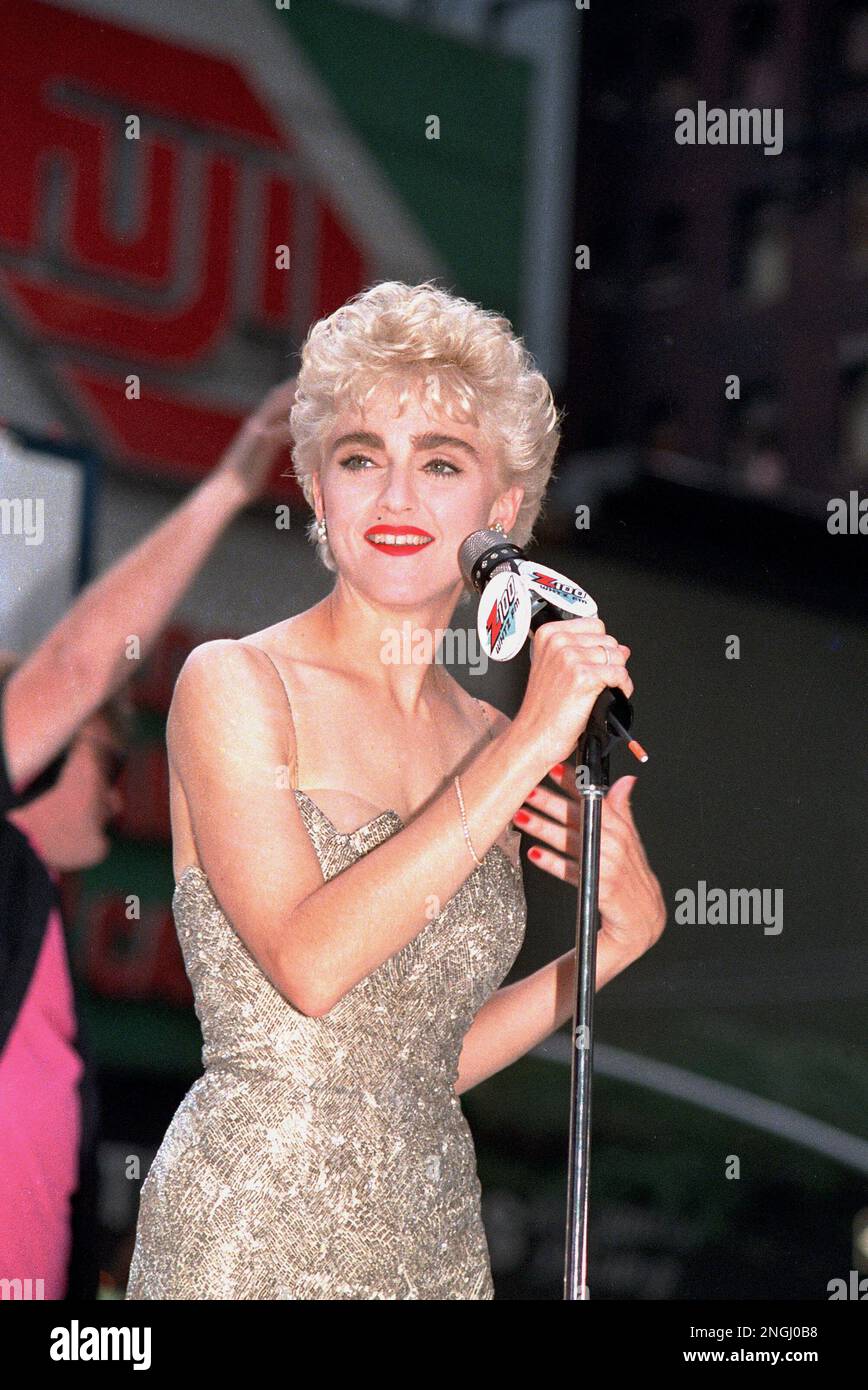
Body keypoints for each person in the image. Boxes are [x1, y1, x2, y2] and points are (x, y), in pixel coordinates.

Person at [125, 280, 666, 1302]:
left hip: (434, 1240)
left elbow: (418, 1061)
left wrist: (608, 950)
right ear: (319, 490)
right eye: (361, 457)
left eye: (441, 463)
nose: (396, 497)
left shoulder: (497, 735)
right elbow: (310, 963)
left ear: (502, 510)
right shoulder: (237, 684)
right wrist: (525, 750)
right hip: (251, 1234)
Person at [0, 379, 295, 1299]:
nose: (122, 776)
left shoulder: (34, 914)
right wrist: (232, 482)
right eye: (103, 742)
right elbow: (82, 661)